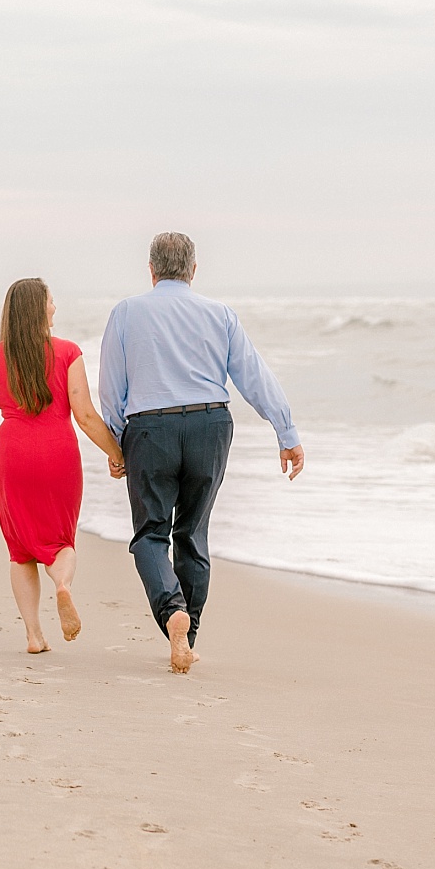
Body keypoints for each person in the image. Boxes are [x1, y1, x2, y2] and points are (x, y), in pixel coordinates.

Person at [99, 232, 305, 674]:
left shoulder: (126, 312)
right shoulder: (220, 314)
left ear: (151, 270)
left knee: (150, 534)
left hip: (150, 428)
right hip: (210, 424)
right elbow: (253, 375)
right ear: (193, 270)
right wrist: (285, 431)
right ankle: (187, 635)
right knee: (192, 533)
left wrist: (117, 444)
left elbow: (111, 387)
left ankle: (171, 609)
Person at [0, 278, 125, 654]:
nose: (55, 308)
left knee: (20, 551)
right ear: (39, 309)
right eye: (52, 302)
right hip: (59, 455)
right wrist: (117, 453)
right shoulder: (68, 353)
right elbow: (84, 415)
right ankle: (62, 585)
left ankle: (34, 636)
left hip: (12, 459)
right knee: (60, 541)